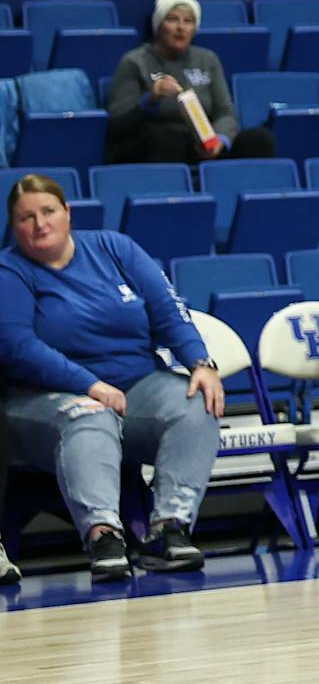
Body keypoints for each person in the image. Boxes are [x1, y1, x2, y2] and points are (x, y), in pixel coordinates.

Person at [0, 175, 224, 581]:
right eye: (26, 218)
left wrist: (201, 363)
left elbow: (168, 309)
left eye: (48, 211)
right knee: (91, 416)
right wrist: (89, 384)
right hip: (45, 397)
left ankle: (170, 528)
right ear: (13, 227)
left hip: (137, 384)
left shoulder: (115, 248)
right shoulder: (9, 270)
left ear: (68, 213)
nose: (40, 224)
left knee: (197, 404)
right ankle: (103, 536)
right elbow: (18, 346)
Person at [105, 0, 275, 164]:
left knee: (259, 140)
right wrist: (151, 99)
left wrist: (219, 141)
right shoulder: (135, 62)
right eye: (172, 19)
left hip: (201, 144)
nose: (181, 28)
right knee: (167, 137)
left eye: (188, 21)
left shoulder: (208, 59)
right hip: (155, 145)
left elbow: (225, 113)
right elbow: (118, 124)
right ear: (158, 25)